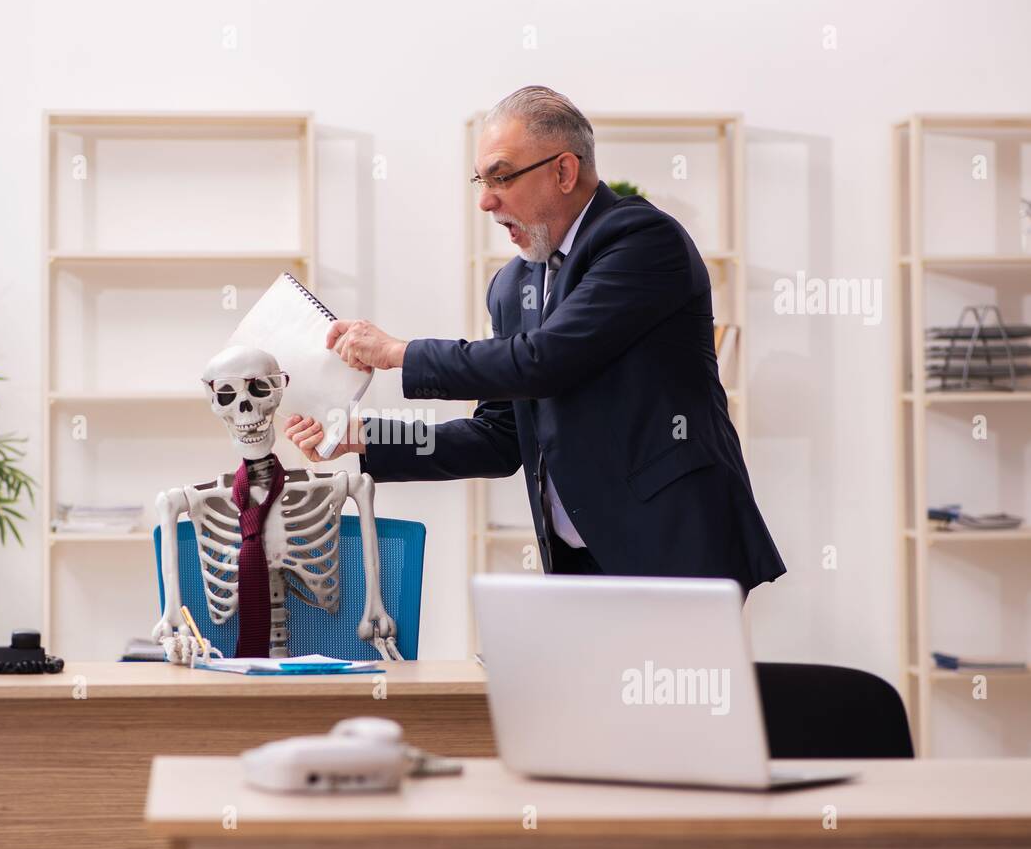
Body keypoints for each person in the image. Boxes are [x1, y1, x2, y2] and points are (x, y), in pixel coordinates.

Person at [286, 85, 785, 596]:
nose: (485, 200)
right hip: (579, 558)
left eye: (501, 176)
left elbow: (544, 360)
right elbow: (498, 438)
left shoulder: (641, 240)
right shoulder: (512, 285)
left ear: (564, 171)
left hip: (674, 548)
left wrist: (399, 353)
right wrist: (364, 434)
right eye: (481, 180)